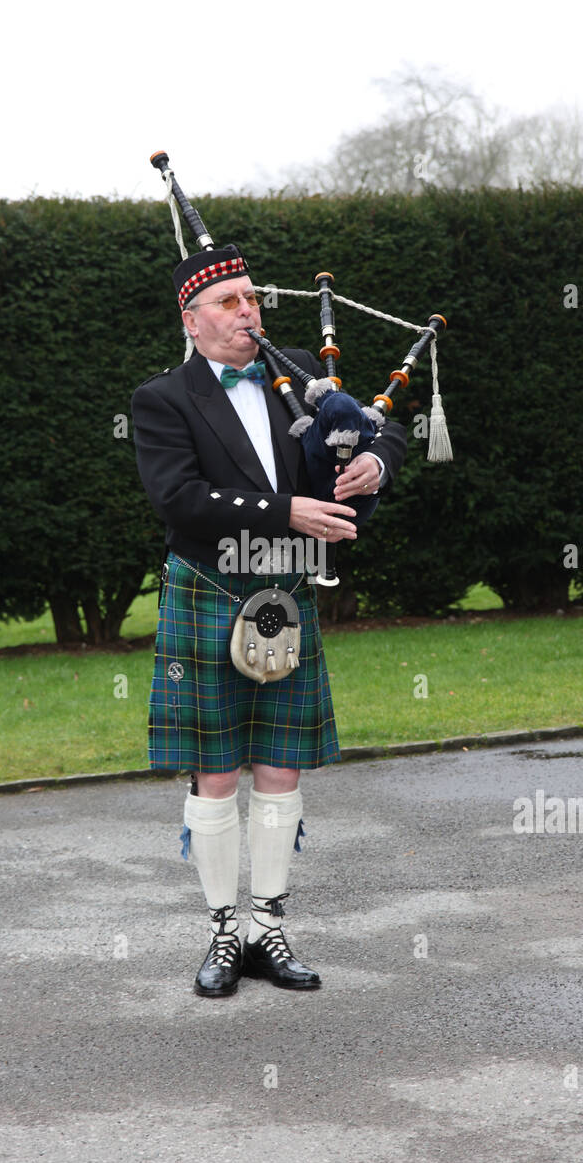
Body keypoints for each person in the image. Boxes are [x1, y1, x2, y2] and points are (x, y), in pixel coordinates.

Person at [131, 243, 406, 997]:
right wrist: (285, 510)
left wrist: (373, 464)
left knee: (280, 768)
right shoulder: (163, 400)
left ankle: (266, 925)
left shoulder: (292, 381)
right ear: (191, 320)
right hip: (208, 593)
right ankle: (223, 931)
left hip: (284, 595)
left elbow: (376, 428)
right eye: (228, 302)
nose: (247, 312)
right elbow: (177, 499)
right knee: (217, 773)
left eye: (252, 299)